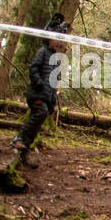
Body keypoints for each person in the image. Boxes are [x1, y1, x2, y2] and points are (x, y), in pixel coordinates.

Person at [11, 13, 69, 165]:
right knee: (40, 113)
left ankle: (24, 151)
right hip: (36, 93)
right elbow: (33, 68)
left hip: (46, 97)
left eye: (60, 40)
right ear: (48, 37)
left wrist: (52, 102)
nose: (58, 42)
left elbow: (54, 82)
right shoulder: (42, 52)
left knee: (40, 118)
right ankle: (19, 138)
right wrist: (39, 83)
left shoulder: (56, 58)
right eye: (55, 38)